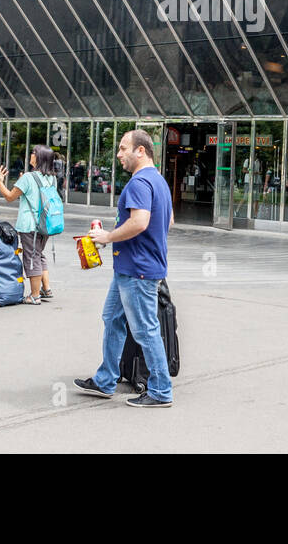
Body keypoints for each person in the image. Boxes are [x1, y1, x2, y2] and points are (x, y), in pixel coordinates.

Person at [74, 128, 174, 407]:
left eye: (122, 148)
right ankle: (106, 380)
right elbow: (167, 221)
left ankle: (160, 391)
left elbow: (141, 222)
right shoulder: (159, 181)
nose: (118, 154)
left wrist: (109, 236)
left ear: (140, 150)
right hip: (132, 267)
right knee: (113, 318)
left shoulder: (140, 182)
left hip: (137, 270)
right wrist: (123, 239)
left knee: (145, 330)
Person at [0, 144, 57, 304]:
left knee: (31, 257)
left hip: (30, 225)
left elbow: (9, 196)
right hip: (46, 223)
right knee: (39, 254)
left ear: (40, 158)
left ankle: (34, 296)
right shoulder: (52, 178)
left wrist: (0, 181)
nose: (31, 155)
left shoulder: (28, 177)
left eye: (34, 153)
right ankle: (46, 288)